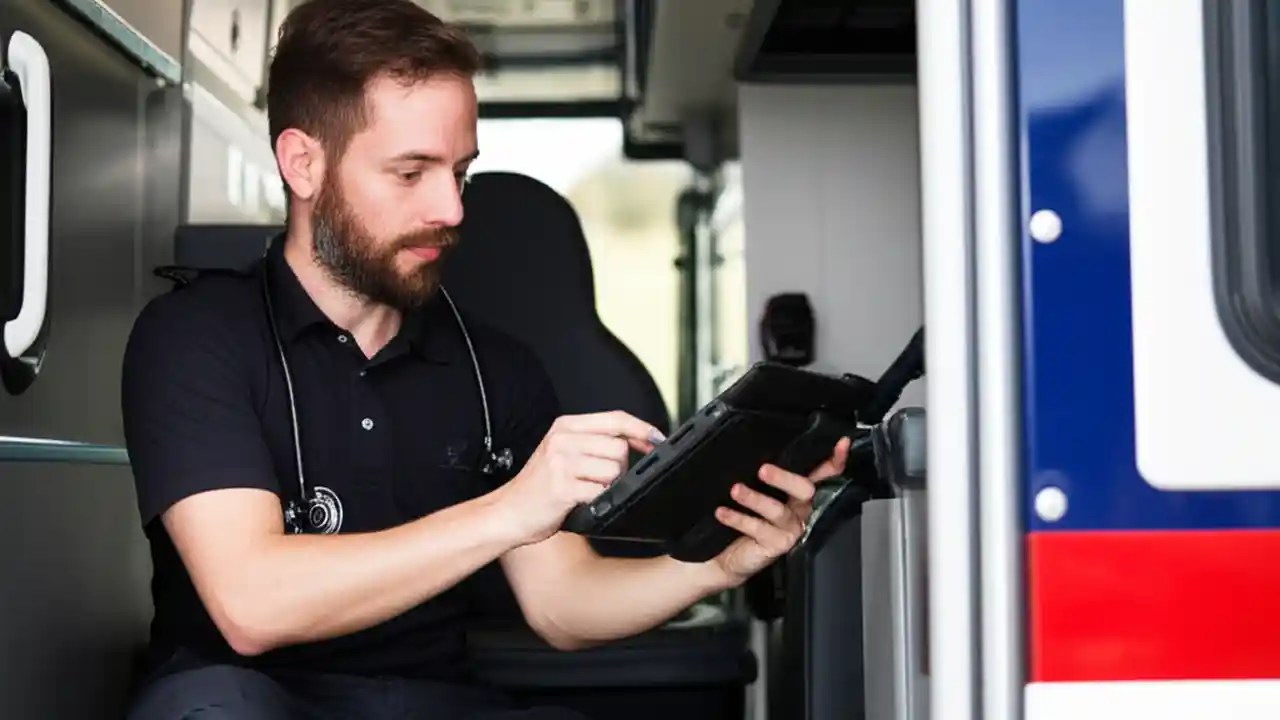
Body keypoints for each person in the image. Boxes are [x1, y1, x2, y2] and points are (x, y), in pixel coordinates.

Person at [120, 0, 850, 718]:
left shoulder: (494, 369)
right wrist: (509, 510)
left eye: (460, 172)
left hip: (433, 700)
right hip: (245, 701)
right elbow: (253, 603)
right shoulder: (195, 337)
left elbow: (561, 604)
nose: (453, 209)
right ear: (302, 163)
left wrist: (719, 567)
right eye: (411, 173)